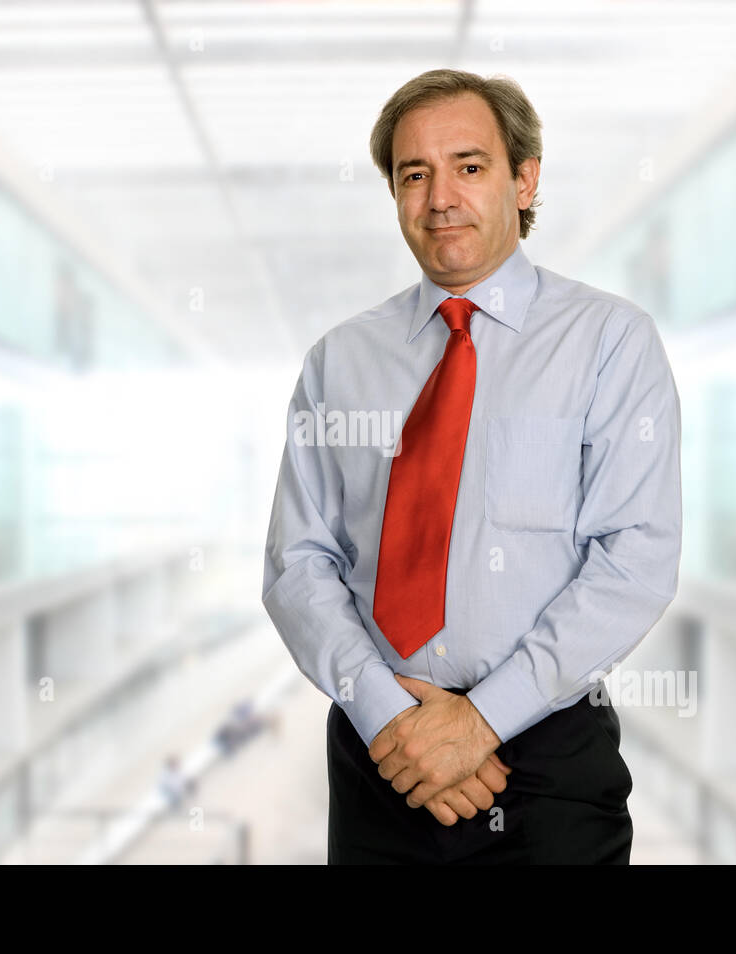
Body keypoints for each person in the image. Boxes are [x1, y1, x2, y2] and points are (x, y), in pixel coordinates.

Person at [261, 68, 682, 864]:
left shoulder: (609, 342)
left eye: (470, 166)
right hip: (380, 755)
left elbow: (635, 560)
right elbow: (298, 563)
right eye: (414, 174)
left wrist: (480, 721)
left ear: (525, 180)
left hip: (543, 757)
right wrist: (392, 720)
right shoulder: (341, 359)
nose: (440, 197)